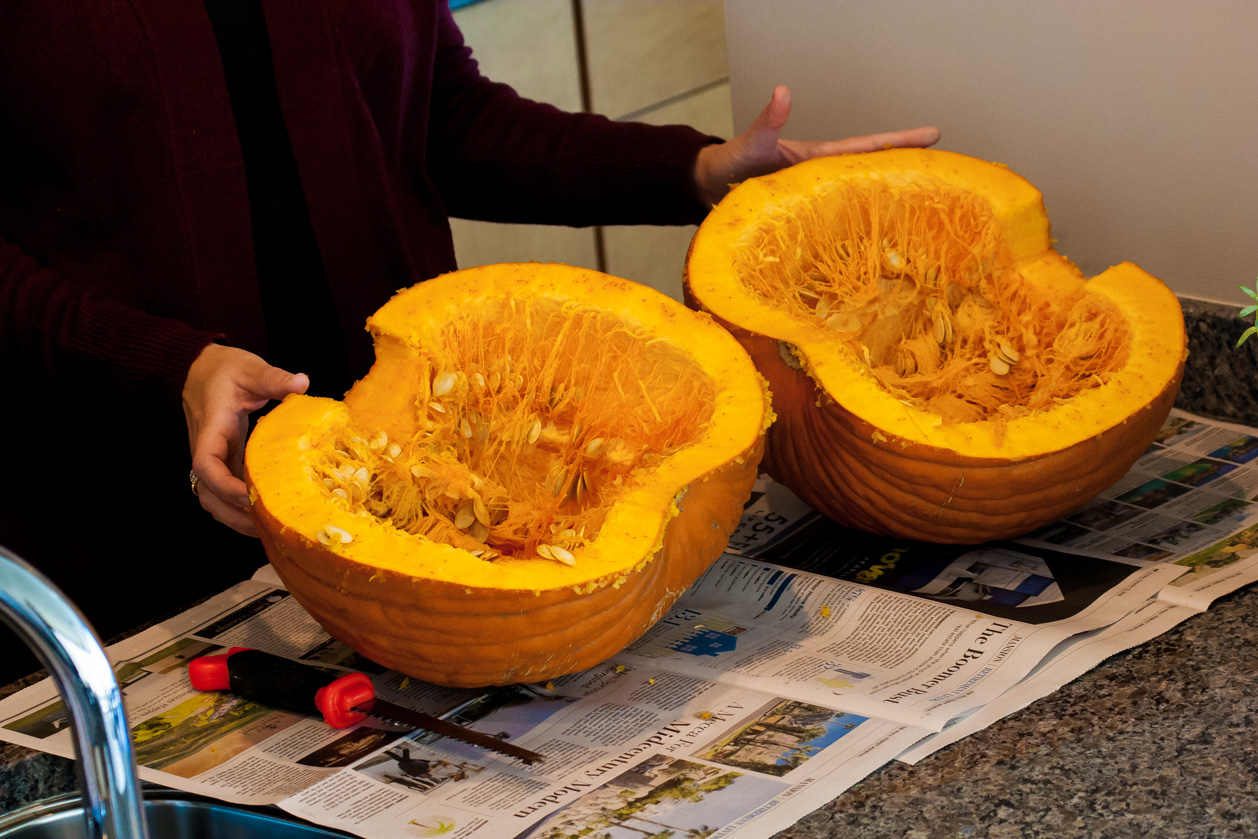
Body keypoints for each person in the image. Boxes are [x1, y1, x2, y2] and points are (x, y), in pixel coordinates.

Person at [0, 0, 939, 685]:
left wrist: (690, 170)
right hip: (122, 545)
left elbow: (445, 117)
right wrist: (176, 364)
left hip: (416, 502)